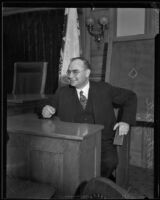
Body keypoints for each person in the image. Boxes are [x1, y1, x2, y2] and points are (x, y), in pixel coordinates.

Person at [37, 57, 137, 181]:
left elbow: (130, 97)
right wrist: (45, 110)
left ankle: (95, 182)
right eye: (69, 72)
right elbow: (45, 107)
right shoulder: (62, 92)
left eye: (75, 71)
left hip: (102, 140)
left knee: (110, 162)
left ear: (87, 73)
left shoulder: (104, 89)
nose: (70, 75)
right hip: (73, 141)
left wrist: (125, 121)